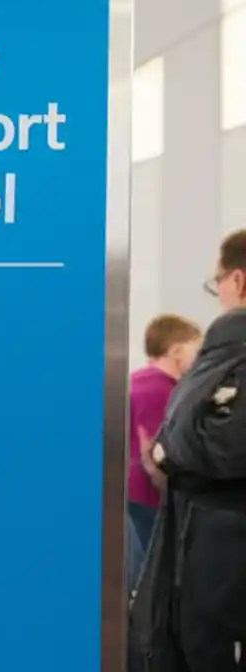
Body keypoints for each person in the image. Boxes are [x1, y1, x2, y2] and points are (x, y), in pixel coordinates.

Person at [131, 230, 246, 671]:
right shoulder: (218, 357)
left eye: (215, 281)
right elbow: (174, 437)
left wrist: (170, 451)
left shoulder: (225, 355)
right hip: (195, 549)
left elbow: (218, 446)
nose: (216, 292)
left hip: (220, 562)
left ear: (237, 279)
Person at [127, 315, 201, 574]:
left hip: (130, 489)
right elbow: (157, 449)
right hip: (147, 493)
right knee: (151, 569)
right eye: (197, 348)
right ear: (176, 351)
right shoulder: (162, 390)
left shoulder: (136, 379)